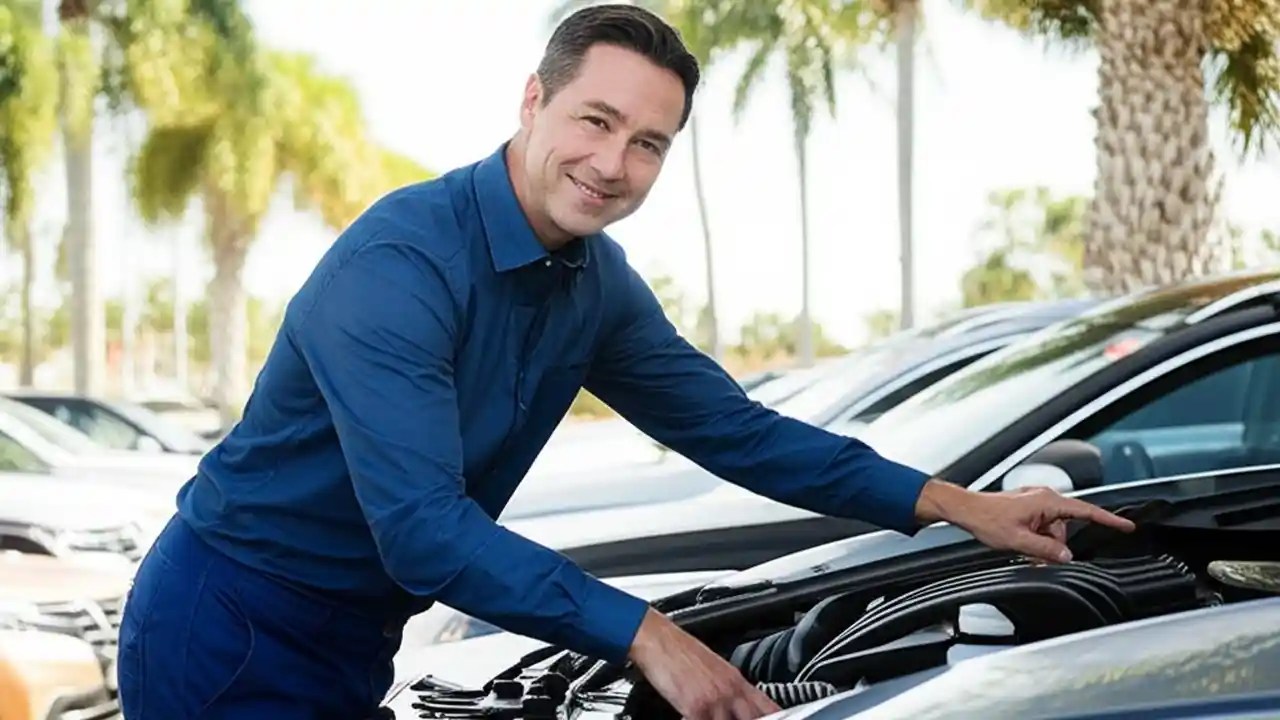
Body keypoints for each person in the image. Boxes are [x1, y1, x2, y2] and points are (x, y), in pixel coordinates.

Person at [115, 5, 1135, 719]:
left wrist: (962, 504)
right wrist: (643, 633)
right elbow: (423, 533)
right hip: (232, 623)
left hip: (354, 636)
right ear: (531, 102)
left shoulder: (594, 282)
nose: (613, 165)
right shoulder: (399, 262)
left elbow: (737, 432)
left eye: (648, 143)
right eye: (595, 121)